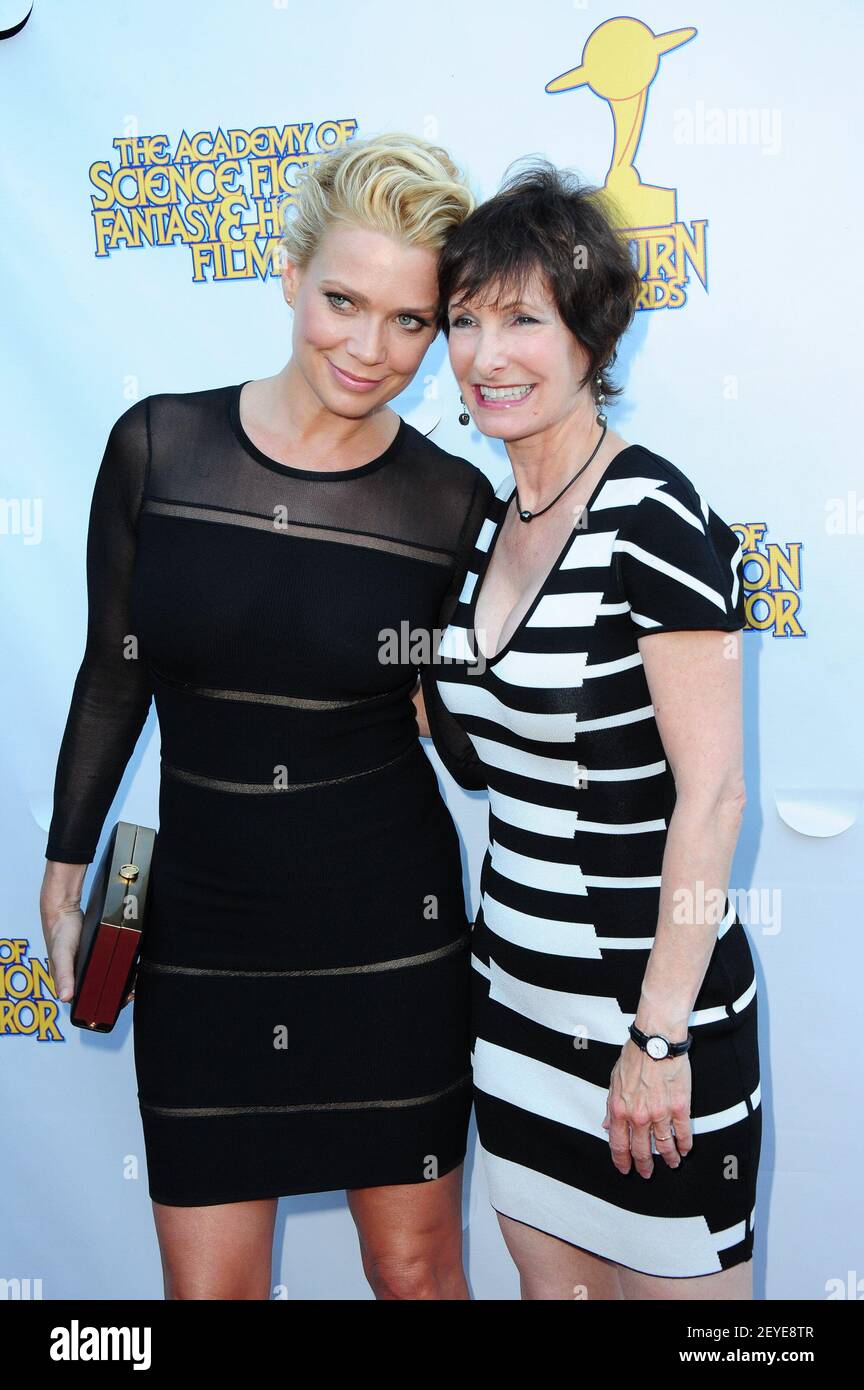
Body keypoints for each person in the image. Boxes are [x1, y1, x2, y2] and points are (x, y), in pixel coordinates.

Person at [39, 132, 494, 1301]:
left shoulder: (452, 499)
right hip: (204, 936)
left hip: (391, 932)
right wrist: (63, 866)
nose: (369, 346)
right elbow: (113, 672)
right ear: (288, 274)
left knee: (416, 1268)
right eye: (344, 300)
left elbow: (469, 743)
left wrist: (443, 691)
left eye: (409, 321)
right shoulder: (159, 446)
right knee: (210, 1293)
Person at [419, 160, 762, 1300]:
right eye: (465, 319)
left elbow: (713, 798)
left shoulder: (654, 518)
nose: (486, 353)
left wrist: (659, 1041)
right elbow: (479, 745)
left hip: (647, 1022)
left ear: (591, 335)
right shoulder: (482, 530)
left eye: (523, 317)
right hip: (516, 1014)